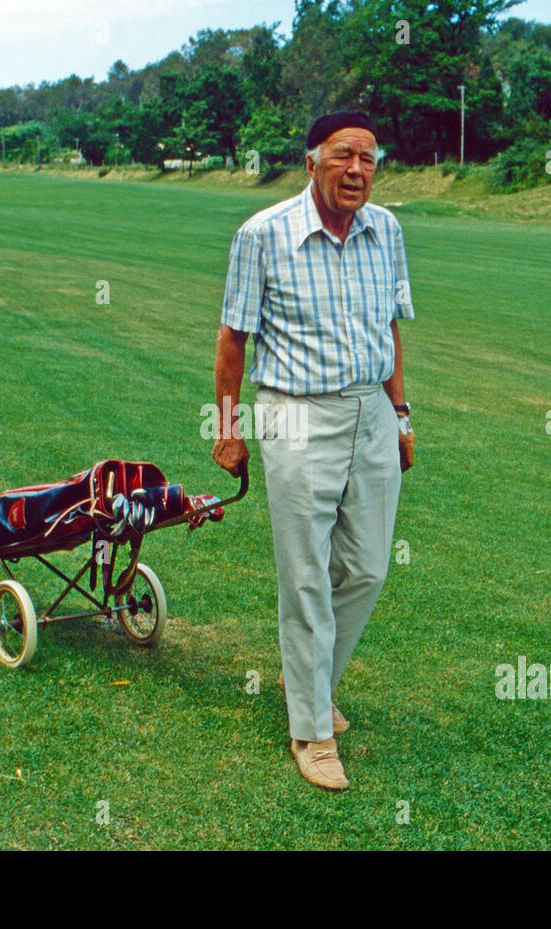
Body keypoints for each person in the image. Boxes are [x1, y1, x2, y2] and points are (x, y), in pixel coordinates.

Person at [211, 110, 416, 791]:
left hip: (372, 411)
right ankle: (312, 727)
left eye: (368, 158)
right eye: (343, 156)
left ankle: (307, 675)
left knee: (366, 568)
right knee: (304, 574)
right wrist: (229, 426)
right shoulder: (262, 234)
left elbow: (388, 326)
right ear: (311, 161)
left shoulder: (386, 230)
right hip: (294, 413)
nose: (357, 170)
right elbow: (234, 338)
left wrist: (403, 414)